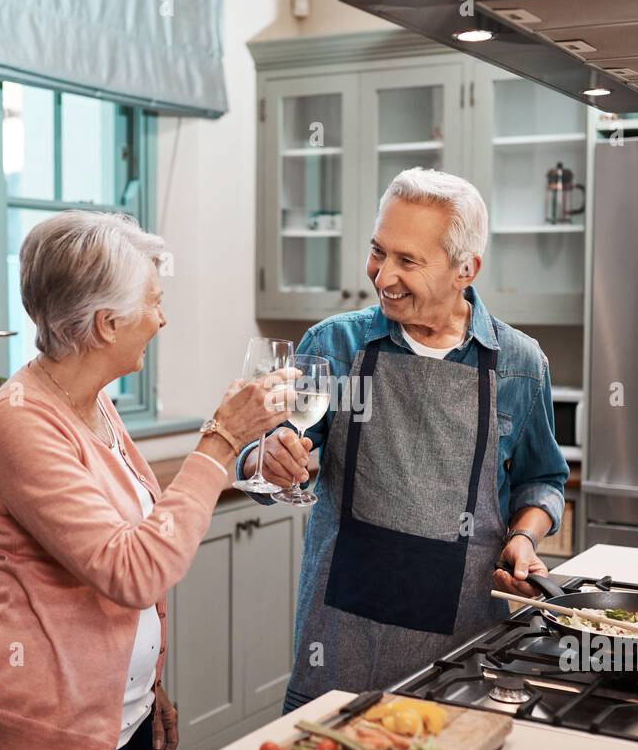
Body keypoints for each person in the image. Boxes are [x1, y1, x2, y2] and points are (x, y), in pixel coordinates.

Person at [0, 210, 292, 750]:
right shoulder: (20, 422)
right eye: (152, 303)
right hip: (52, 724)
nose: (161, 319)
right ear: (105, 324)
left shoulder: (90, 401)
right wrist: (220, 442)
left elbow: (120, 553)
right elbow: (135, 572)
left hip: (117, 712)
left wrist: (140, 691)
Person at [238, 168, 569, 712]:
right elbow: (262, 457)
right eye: (378, 251)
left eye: (408, 260)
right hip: (340, 641)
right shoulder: (335, 344)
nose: (382, 275)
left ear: (467, 269)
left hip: (462, 649)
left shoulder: (519, 365)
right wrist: (265, 461)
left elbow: (542, 479)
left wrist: (525, 536)